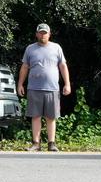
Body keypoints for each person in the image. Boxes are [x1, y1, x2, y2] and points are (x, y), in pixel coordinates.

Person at [17, 23, 71, 152]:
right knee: (35, 116)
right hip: (34, 88)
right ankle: (36, 144)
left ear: (49, 34)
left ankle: (51, 144)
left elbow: (63, 66)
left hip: (52, 88)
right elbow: (25, 67)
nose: (43, 35)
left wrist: (67, 83)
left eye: (45, 33)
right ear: (36, 34)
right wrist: (20, 84)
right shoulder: (30, 49)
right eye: (40, 33)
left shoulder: (56, 48)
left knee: (51, 117)